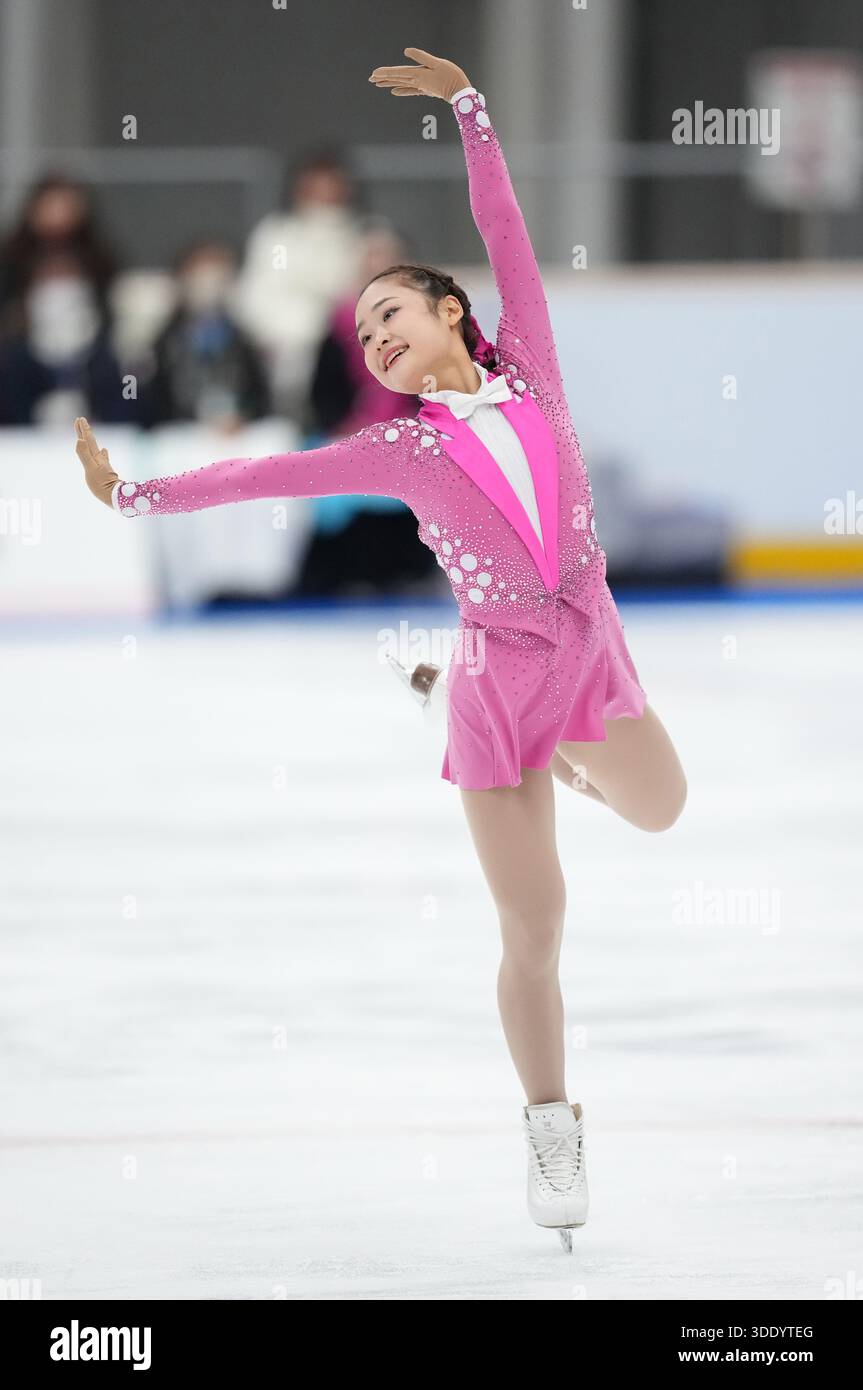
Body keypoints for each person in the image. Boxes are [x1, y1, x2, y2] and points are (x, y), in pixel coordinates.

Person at [73, 49, 688, 1252]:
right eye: (361, 334)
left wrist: (469, 109)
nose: (373, 338)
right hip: (501, 689)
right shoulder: (397, 454)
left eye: (389, 314)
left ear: (450, 309)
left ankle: (551, 746)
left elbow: (505, 230)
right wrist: (135, 494)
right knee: (536, 925)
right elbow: (263, 473)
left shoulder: (533, 372)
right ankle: (549, 1123)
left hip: (590, 653)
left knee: (661, 809)